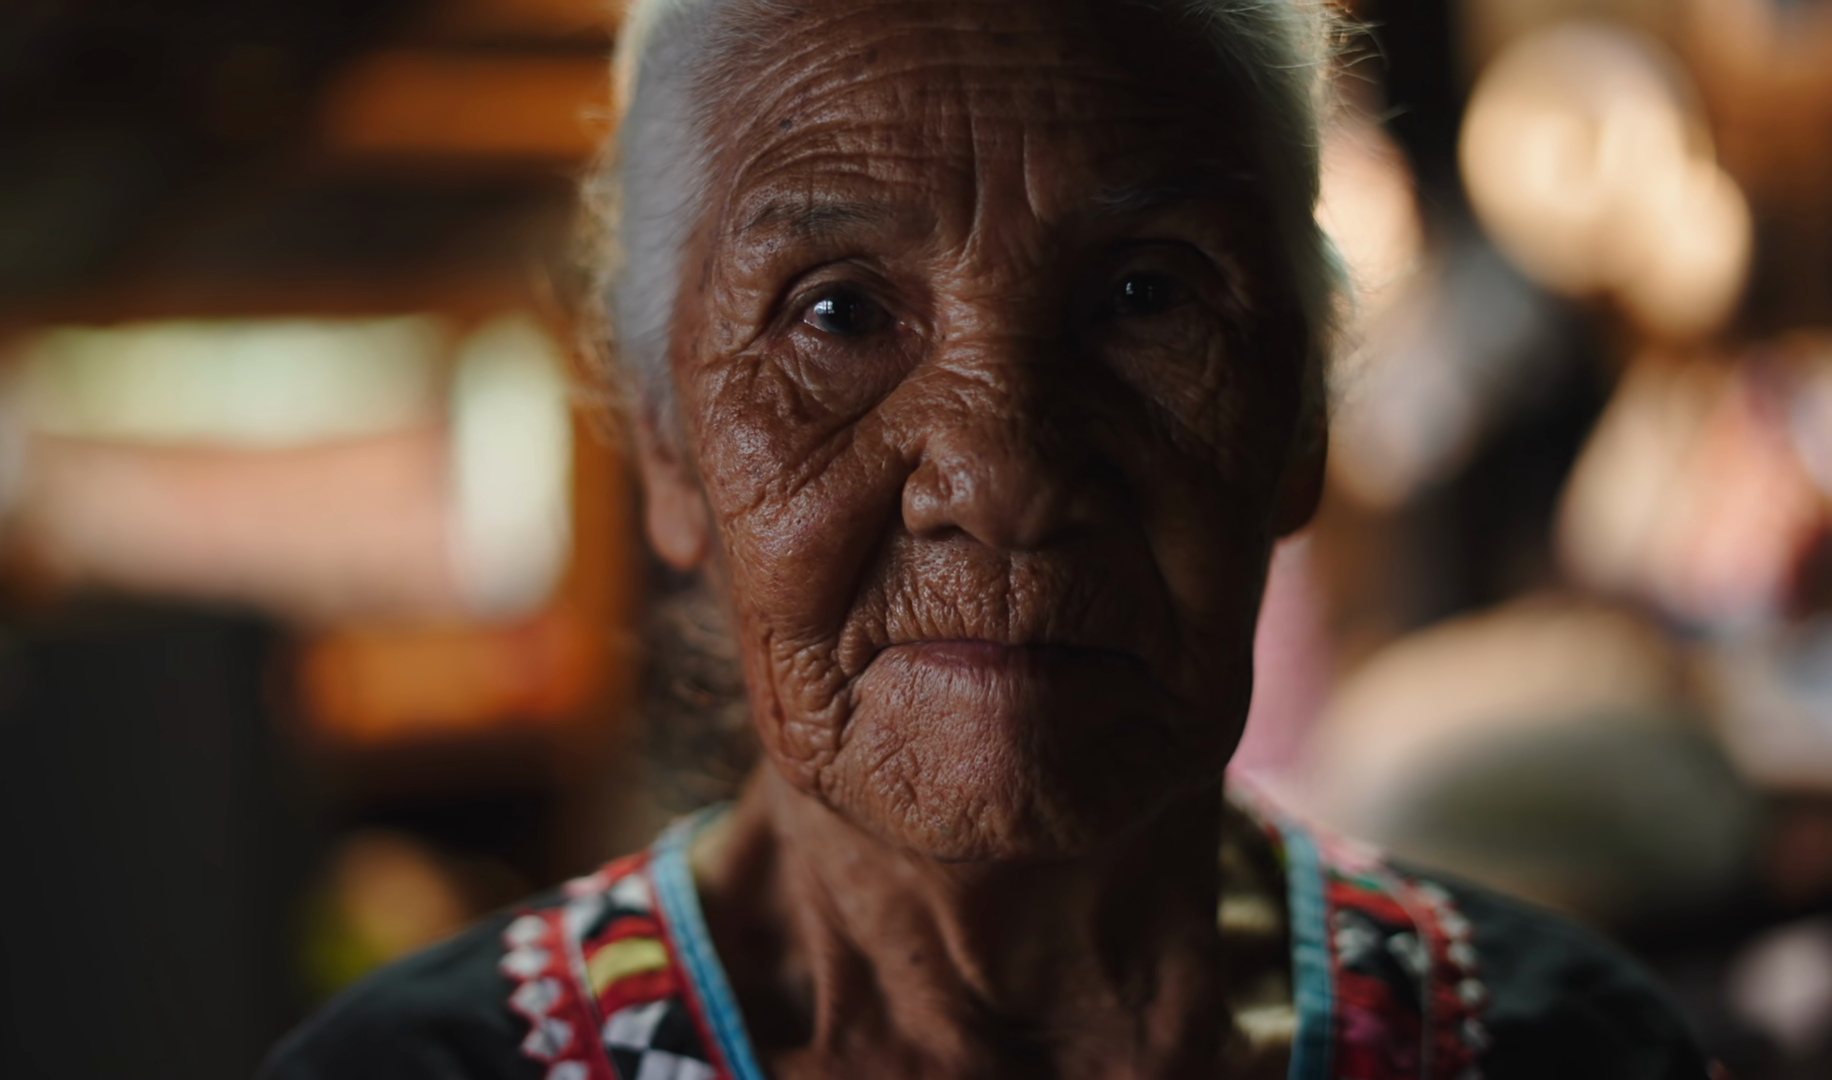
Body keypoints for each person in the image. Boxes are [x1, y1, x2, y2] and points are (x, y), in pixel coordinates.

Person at [265, 1, 1719, 1076]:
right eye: (838, 313)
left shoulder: (1576, 1049)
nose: (1006, 473)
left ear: (1300, 421)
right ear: (667, 444)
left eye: (1149, 298)